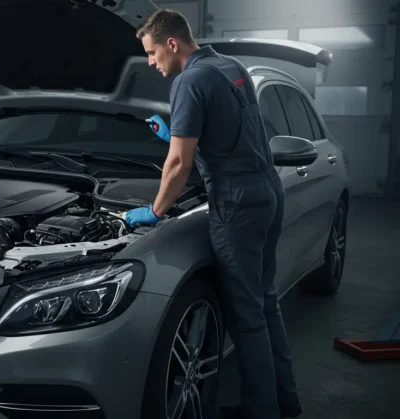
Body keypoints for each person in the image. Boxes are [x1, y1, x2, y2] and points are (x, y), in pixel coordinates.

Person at [125, 9, 303, 419]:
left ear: (172, 43)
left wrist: (155, 210)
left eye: (152, 53)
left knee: (246, 314)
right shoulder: (230, 66)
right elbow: (232, 131)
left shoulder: (189, 81)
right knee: (265, 303)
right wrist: (173, 134)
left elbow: (178, 165)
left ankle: (261, 411)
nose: (151, 62)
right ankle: (285, 401)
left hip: (237, 204)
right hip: (266, 192)